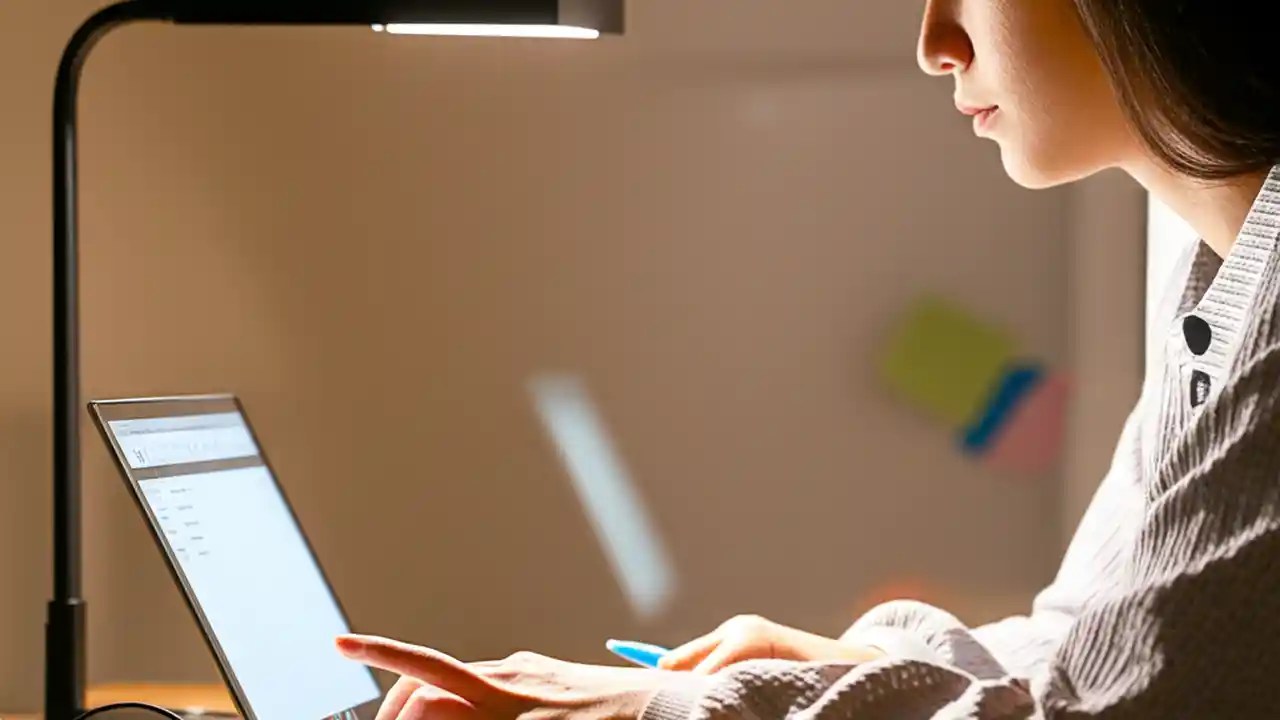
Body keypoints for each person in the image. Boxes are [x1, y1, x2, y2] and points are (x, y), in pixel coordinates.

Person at [335, 0, 1280, 717]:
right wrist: (845, 666)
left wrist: (666, 708)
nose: (934, 43)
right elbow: (1085, 647)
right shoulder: (1215, 283)